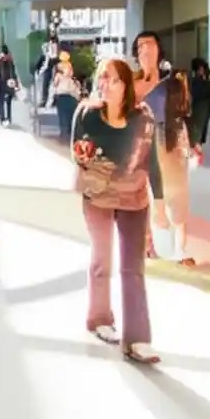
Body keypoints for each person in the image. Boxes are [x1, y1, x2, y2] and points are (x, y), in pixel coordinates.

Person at [71, 57, 164, 364]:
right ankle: (99, 318)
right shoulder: (86, 113)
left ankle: (137, 339)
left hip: (134, 199)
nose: (106, 85)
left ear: (126, 85)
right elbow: (78, 153)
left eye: (113, 79)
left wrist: (160, 200)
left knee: (132, 268)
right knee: (102, 259)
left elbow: (151, 161)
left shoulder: (143, 118)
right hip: (97, 197)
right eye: (102, 79)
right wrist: (88, 158)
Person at [133, 32, 194, 267]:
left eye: (148, 44)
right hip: (143, 139)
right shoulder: (133, 84)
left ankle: (181, 247)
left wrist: (189, 142)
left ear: (159, 49)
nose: (144, 50)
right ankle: (149, 243)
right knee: (145, 192)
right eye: (139, 47)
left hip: (170, 137)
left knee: (177, 191)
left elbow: (184, 112)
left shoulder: (173, 82)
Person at [48, 52, 80, 141]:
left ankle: (63, 134)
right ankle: (71, 134)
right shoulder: (70, 67)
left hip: (61, 96)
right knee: (71, 116)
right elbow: (72, 76)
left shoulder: (58, 69)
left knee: (62, 116)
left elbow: (54, 83)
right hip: (71, 95)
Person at [0, 45, 17, 127]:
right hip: (8, 84)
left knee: (1, 102)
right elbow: (13, 74)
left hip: (1, 84)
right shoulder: (10, 61)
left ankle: (2, 118)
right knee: (8, 103)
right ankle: (8, 118)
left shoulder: (0, 61)